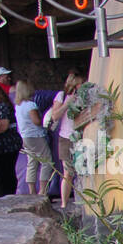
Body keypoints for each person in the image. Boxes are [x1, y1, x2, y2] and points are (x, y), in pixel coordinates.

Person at [46, 70, 86, 207]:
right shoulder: (62, 96)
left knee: (82, 171)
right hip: (66, 136)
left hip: (81, 137)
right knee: (67, 172)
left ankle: (81, 201)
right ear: (73, 85)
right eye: (80, 84)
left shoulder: (86, 96)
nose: (82, 86)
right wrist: (67, 104)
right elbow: (55, 116)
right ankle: (64, 203)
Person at [14, 81, 51, 195]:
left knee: (32, 163)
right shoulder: (31, 105)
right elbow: (36, 121)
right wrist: (46, 122)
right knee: (47, 162)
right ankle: (42, 190)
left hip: (25, 137)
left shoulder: (18, 106)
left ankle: (32, 191)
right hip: (36, 136)